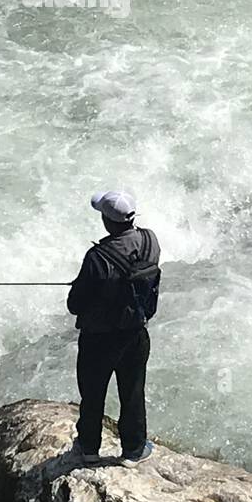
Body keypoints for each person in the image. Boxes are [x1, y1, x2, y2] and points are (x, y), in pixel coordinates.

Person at [66, 190, 161, 465]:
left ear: (108, 222)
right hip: (135, 332)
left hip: (99, 339)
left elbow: (75, 304)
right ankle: (133, 450)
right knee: (132, 391)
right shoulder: (150, 241)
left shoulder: (97, 257)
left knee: (93, 393)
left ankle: (88, 448)